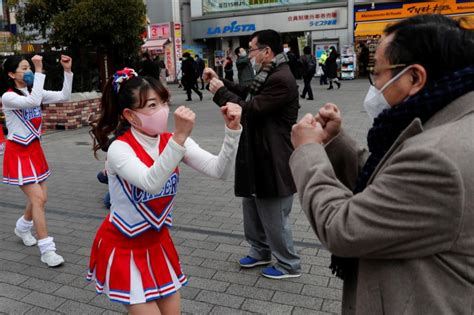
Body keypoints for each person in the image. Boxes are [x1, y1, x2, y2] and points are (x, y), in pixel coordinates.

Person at [289, 14, 474, 314]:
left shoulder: (440, 157)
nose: (374, 85)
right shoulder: (445, 116)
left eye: (378, 73)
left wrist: (308, 150)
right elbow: (390, 185)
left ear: (415, 78)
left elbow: (342, 227)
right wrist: (335, 140)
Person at [87, 68, 242, 313]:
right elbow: (150, 182)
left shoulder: (171, 140)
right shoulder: (120, 149)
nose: (161, 110)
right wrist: (179, 138)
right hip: (124, 246)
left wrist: (232, 132)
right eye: (151, 105)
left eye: (163, 102)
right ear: (129, 115)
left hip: (157, 244)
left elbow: (218, 171)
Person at [204, 29, 301, 279]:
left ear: (267, 51)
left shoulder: (282, 79)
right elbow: (246, 92)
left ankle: (289, 264)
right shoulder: (268, 73)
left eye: (253, 49)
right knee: (253, 204)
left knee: (273, 213)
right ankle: (260, 250)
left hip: (273, 155)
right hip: (258, 152)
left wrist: (218, 91)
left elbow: (250, 109)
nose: (250, 55)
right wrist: (220, 82)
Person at [1, 54, 73, 267]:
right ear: (12, 74)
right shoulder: (8, 97)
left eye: (29, 67)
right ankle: (47, 249)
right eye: (24, 68)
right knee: (39, 200)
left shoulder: (35, 91)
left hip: (35, 151)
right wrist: (40, 69)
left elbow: (64, 95)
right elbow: (32, 102)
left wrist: (67, 71)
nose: (29, 71)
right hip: (18, 153)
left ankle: (22, 227)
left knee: (41, 199)